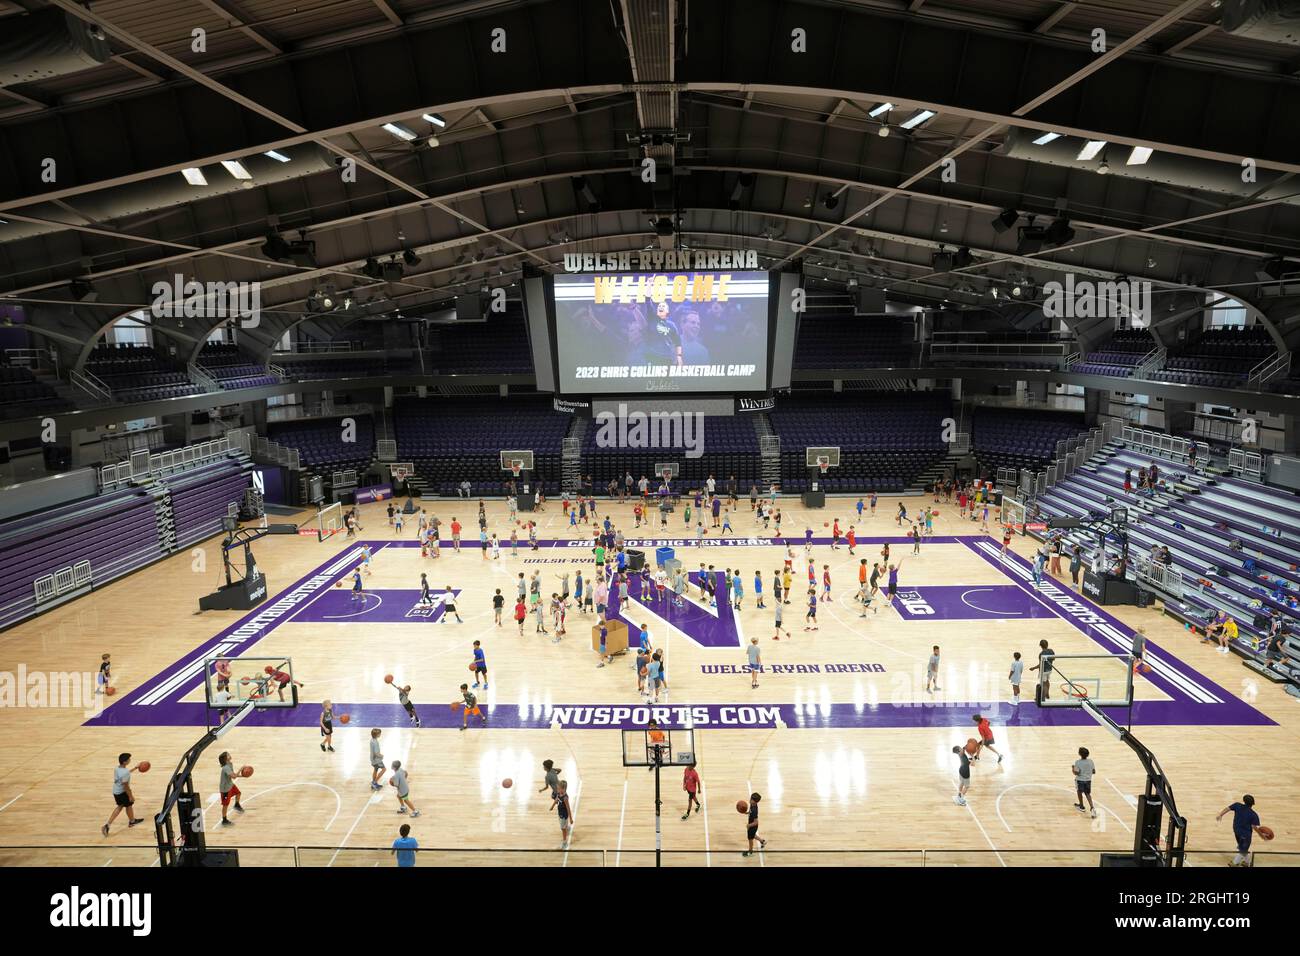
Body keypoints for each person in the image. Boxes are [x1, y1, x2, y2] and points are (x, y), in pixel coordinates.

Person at [102, 752, 144, 836]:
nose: (130, 760)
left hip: (116, 791)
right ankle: (131, 821)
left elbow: (125, 773)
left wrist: (135, 768)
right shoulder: (125, 773)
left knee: (121, 806)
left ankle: (108, 825)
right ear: (125, 762)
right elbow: (126, 786)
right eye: (128, 759)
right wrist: (131, 796)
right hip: (122, 792)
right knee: (128, 805)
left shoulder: (117, 768)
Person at [1217, 795, 1263, 867]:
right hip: (1245, 834)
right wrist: (1262, 835)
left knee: (1243, 848)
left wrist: (1220, 815)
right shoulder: (1254, 815)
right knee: (1243, 849)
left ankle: (1247, 863)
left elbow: (1227, 809)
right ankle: (1235, 863)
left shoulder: (1237, 805)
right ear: (1253, 803)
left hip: (1236, 831)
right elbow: (1254, 827)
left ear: (1244, 801)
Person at [218, 751, 245, 826]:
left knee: (238, 793)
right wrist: (241, 769)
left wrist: (243, 776)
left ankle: (236, 804)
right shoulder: (226, 768)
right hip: (225, 789)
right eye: (228, 755)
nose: (230, 755)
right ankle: (224, 820)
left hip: (230, 784)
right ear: (225, 758)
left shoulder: (230, 764)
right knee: (225, 805)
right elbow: (234, 777)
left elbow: (233, 775)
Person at [1072, 747, 1096, 818]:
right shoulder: (1091, 761)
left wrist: (1073, 768)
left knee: (1079, 792)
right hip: (1088, 780)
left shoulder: (1078, 762)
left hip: (1080, 780)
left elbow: (1076, 773)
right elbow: (1094, 771)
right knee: (1087, 794)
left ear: (1079, 754)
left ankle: (1081, 806)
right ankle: (1092, 808)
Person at [553, 780, 575, 849]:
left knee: (563, 829)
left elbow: (568, 809)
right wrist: (552, 806)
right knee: (563, 825)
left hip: (564, 815)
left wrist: (571, 818)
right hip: (560, 813)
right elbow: (556, 800)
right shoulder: (559, 794)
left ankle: (565, 842)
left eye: (558, 788)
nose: (557, 789)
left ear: (563, 789)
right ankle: (567, 827)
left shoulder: (565, 798)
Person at [743, 792, 765, 857]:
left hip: (753, 826)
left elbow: (756, 822)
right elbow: (750, 811)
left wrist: (749, 825)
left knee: (750, 839)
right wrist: (747, 812)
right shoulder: (752, 804)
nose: (750, 800)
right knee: (753, 835)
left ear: (755, 802)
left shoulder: (755, 810)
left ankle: (750, 852)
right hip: (752, 825)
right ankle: (762, 841)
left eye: (751, 799)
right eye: (750, 798)